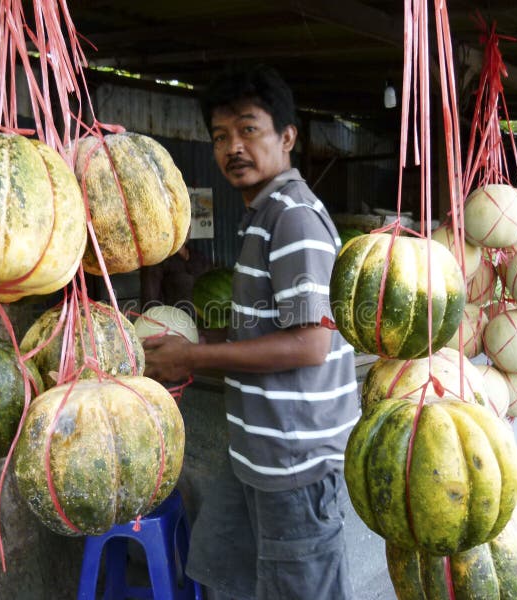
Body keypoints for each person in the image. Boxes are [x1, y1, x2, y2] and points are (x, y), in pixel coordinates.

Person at [143, 64, 359, 600]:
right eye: (220, 137)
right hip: (256, 457)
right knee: (223, 573)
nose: (233, 146)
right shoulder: (262, 217)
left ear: (286, 137)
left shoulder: (294, 217)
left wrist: (192, 359)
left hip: (297, 462)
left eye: (248, 129)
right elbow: (268, 329)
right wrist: (198, 345)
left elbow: (311, 344)